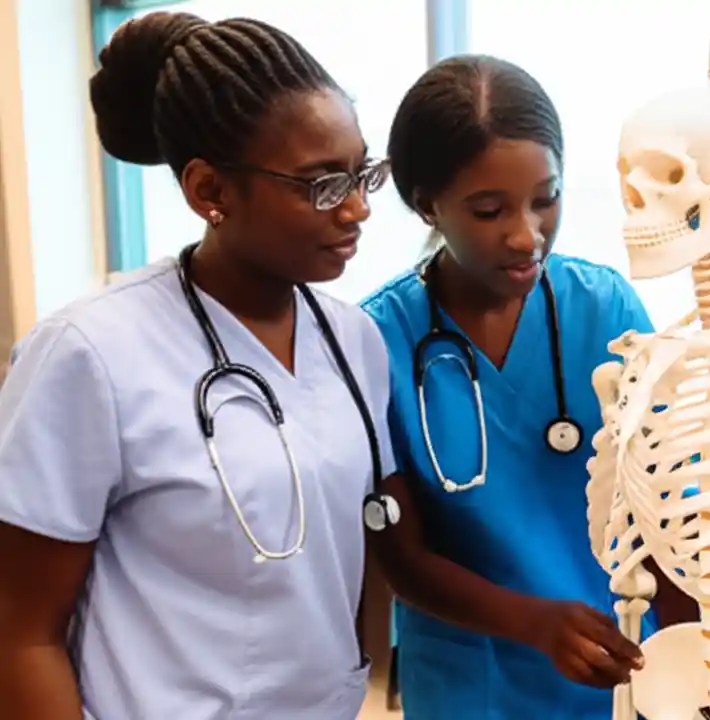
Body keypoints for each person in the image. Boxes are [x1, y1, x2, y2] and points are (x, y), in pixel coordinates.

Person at [0, 12, 395, 720]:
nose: (358, 207)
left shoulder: (354, 339)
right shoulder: (90, 353)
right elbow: (20, 636)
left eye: (363, 171)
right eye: (321, 184)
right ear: (209, 191)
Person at [361, 54, 660, 719]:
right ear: (425, 205)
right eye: (490, 210)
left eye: (546, 199)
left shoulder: (605, 310)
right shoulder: (377, 341)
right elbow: (400, 559)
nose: (528, 235)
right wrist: (535, 623)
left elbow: (668, 508)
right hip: (471, 683)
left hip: (618, 671)